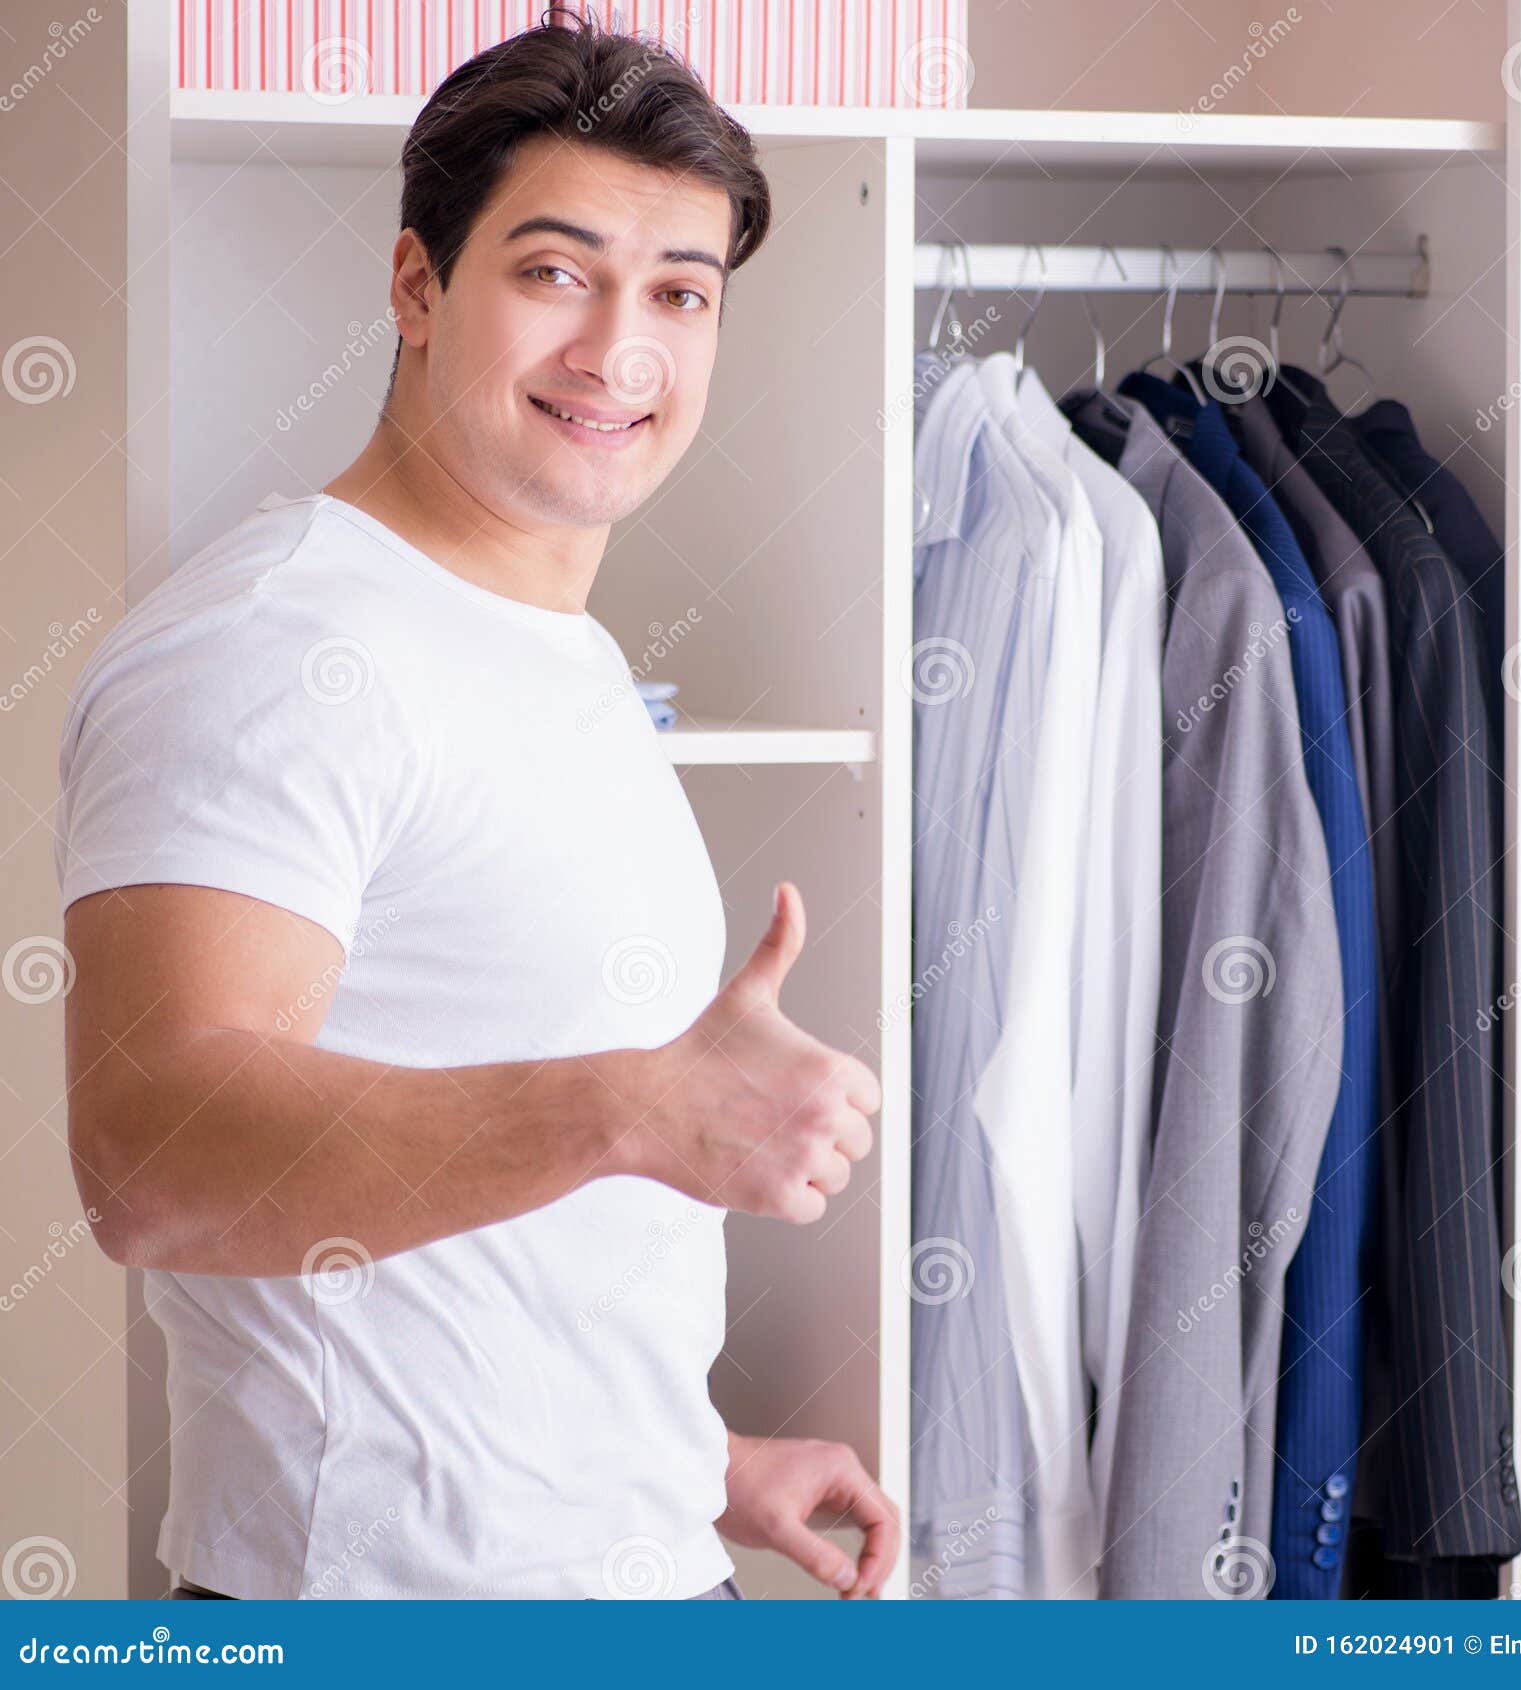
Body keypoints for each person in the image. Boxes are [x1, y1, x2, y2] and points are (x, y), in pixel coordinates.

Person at [54, 13, 896, 1602]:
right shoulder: (272, 645)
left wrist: (681, 1464)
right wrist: (638, 1105)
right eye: (555, 272)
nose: (617, 353)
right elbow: (149, 1155)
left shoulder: (549, 646)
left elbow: (481, 1220)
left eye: (677, 294)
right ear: (416, 288)